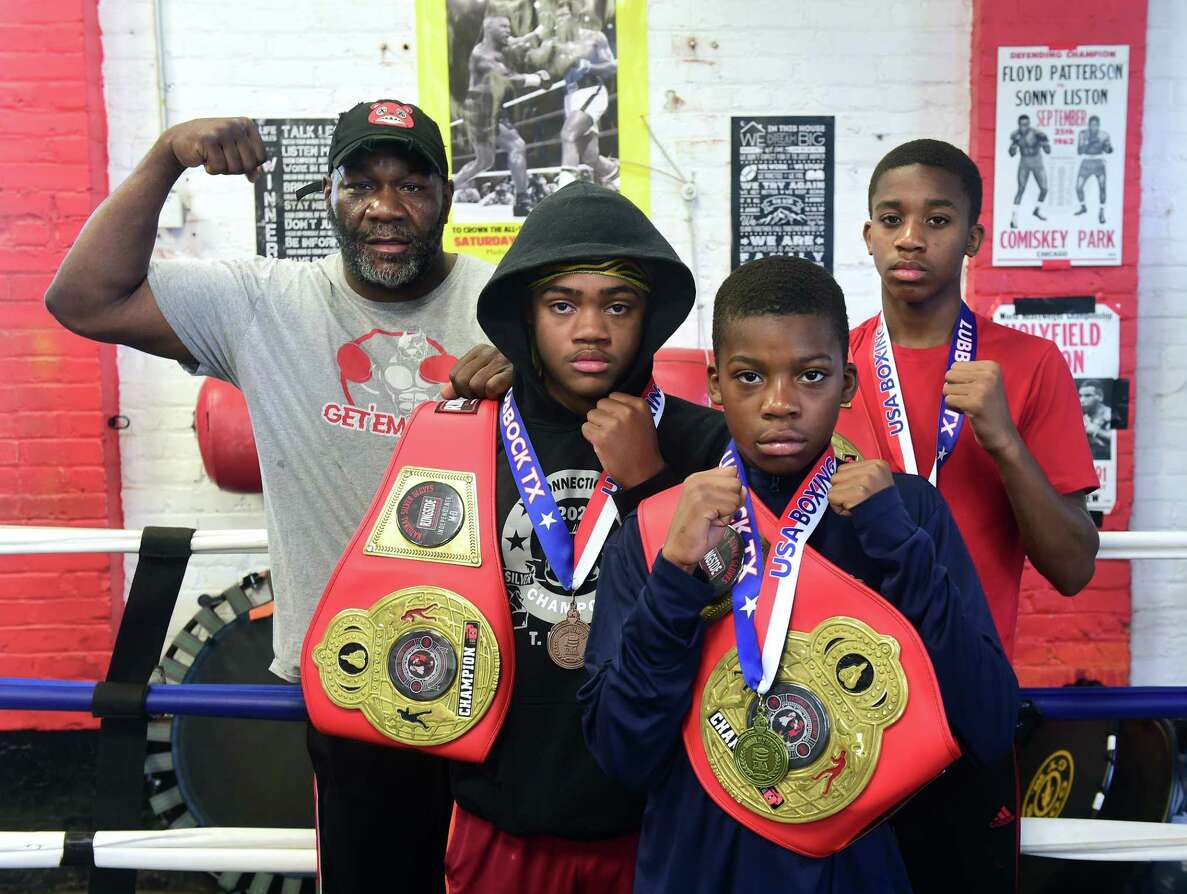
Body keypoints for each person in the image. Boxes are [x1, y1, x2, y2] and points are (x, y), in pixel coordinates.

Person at [44, 99, 512, 892]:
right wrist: (165, 156)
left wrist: (533, 365)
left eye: (412, 186)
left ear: (446, 199)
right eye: (360, 184)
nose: (386, 209)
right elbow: (82, 299)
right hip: (354, 674)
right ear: (326, 195)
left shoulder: (510, 303)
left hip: (502, 670)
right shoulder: (266, 303)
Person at [579, 256, 1017, 893]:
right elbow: (623, 754)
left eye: (810, 376)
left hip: (865, 869)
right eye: (751, 377)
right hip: (700, 870)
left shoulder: (907, 512)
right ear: (716, 385)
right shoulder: (664, 527)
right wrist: (675, 580)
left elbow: (988, 725)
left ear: (846, 382)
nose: (780, 404)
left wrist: (899, 547)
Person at [439, 180, 727, 893]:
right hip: (497, 810)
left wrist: (652, 486)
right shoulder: (469, 430)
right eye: (562, 304)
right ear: (525, 318)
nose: (591, 328)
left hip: (655, 814)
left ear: (649, 318)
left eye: (617, 305)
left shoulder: (705, 440)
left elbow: (735, 597)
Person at [852, 139, 1100, 892]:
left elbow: (1073, 568)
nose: (911, 237)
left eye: (938, 218)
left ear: (975, 239)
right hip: (844, 705)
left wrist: (1003, 439)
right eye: (891, 218)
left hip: (968, 710)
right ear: (868, 234)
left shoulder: (1029, 366)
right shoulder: (825, 367)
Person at [453, 15, 550, 217]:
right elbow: (507, 80)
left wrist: (542, 29)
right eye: (503, 27)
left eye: (508, 26)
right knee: (506, 150)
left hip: (494, 107)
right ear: (489, 29)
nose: (508, 30)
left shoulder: (499, 45)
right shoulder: (482, 55)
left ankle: (449, 187)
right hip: (479, 109)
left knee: (486, 161)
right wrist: (537, 79)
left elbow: (521, 41)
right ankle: (522, 200)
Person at [526, 0, 620, 188]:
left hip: (591, 91)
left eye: (564, 15)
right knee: (589, 156)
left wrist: (590, 67)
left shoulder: (594, 38)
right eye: (557, 17)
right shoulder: (555, 44)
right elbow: (541, 64)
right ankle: (615, 175)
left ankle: (565, 187)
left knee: (568, 134)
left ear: (575, 15)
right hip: (570, 97)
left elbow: (612, 66)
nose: (560, 20)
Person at [1008, 114, 1050, 228]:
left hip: (1037, 161)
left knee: (1044, 189)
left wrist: (1044, 143)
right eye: (1022, 125)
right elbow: (1011, 154)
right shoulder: (1015, 135)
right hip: (1024, 162)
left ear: (1029, 124)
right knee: (1021, 189)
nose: (1024, 127)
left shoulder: (1037, 134)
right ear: (1019, 125)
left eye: (1026, 124)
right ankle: (1014, 218)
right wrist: (1014, 145)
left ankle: (1037, 210)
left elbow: (1048, 151)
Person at [1075, 115, 1114, 224]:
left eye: (1096, 125)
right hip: (1086, 162)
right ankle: (1083, 207)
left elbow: (1108, 149)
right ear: (1088, 125)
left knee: (1102, 188)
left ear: (1099, 126)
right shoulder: (1083, 134)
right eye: (1092, 125)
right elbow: (1079, 151)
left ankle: (1101, 212)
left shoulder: (1104, 135)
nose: (1094, 127)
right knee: (1078, 187)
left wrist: (1109, 148)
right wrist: (1089, 143)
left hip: (1098, 163)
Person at [1079, 378, 1114, 460]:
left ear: (1100, 396)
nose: (1081, 400)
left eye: (1087, 396)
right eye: (1080, 396)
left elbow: (1121, 442)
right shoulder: (1082, 417)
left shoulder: (1112, 414)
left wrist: (1095, 431)